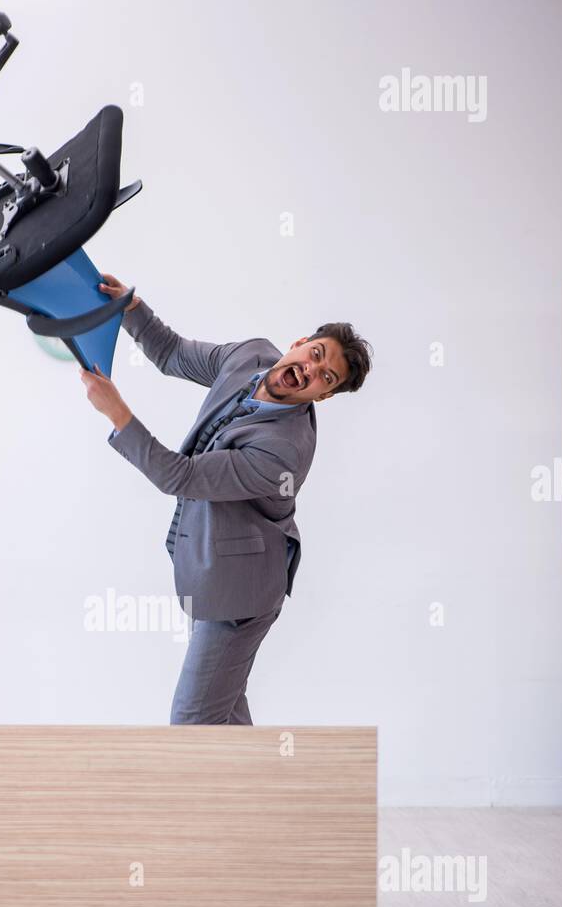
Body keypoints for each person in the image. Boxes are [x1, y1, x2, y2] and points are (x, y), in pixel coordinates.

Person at [80, 274, 372, 724]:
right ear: (299, 344)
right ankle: (259, 794)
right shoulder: (250, 355)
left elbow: (181, 475)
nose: (312, 371)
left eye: (325, 377)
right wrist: (130, 309)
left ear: (325, 394)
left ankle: (208, 795)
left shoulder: (284, 451)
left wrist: (117, 413)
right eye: (315, 355)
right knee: (227, 721)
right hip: (208, 564)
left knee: (192, 721)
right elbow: (174, 353)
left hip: (239, 595)